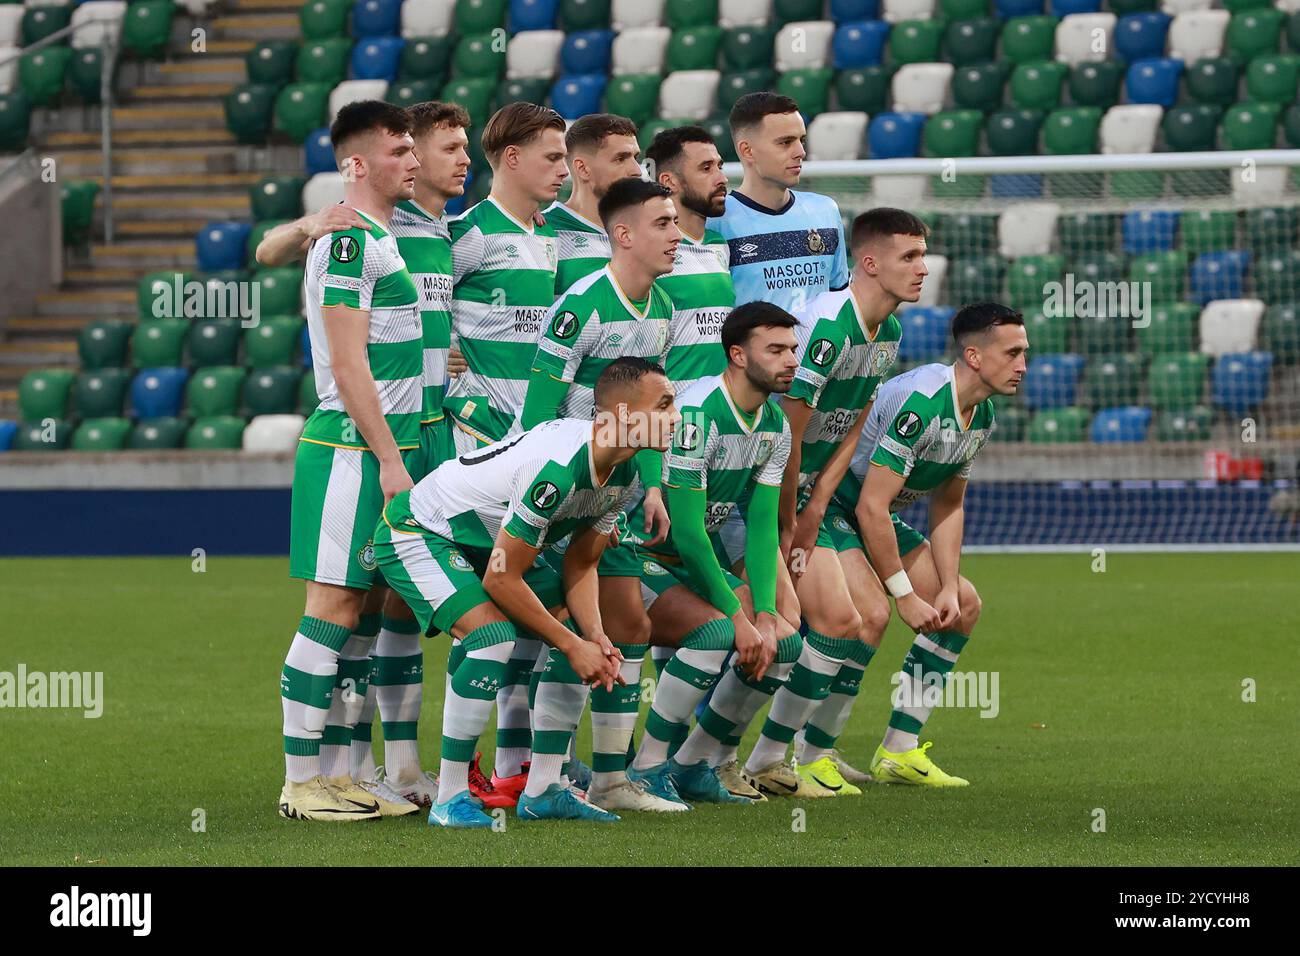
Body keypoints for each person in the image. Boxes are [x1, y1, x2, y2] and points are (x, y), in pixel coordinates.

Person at [370, 357, 680, 826]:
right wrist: (572, 645)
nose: (676, 417)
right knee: (491, 638)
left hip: (486, 543)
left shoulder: (628, 476)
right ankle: (451, 798)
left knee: (581, 633)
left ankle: (543, 788)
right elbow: (501, 578)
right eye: (664, 405)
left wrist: (591, 636)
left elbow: (581, 562)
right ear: (620, 414)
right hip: (420, 530)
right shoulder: (554, 470)